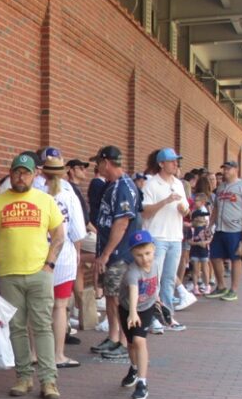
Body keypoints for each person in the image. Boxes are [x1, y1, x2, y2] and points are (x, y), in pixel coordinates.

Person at [0, 153, 65, 399]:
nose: (21, 176)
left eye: (26, 172)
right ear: (11, 173)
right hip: (8, 274)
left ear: (34, 174)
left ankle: (49, 381)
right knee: (16, 328)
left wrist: (49, 263)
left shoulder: (45, 201)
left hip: (39, 273)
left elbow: (59, 234)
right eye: (17, 172)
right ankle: (23, 377)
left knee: (42, 327)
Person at [89, 145, 139, 360]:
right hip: (110, 252)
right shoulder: (112, 185)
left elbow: (122, 222)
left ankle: (124, 342)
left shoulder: (124, 187)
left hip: (121, 253)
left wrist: (106, 254)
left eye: (98, 163)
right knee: (111, 296)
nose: (97, 167)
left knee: (120, 299)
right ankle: (113, 337)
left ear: (106, 162)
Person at [39, 153, 87, 367]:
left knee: (38, 306)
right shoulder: (70, 193)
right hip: (64, 253)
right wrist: (77, 253)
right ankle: (58, 355)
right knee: (59, 306)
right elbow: (77, 230)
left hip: (39, 253)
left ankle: (34, 353)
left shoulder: (35, 192)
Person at [140, 148, 189, 332]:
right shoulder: (151, 184)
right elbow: (144, 212)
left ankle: (168, 317)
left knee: (169, 279)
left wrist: (185, 211)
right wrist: (165, 201)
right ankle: (151, 318)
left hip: (175, 236)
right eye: (172, 161)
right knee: (154, 279)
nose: (176, 164)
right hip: (157, 236)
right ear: (161, 164)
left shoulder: (178, 183)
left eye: (177, 161)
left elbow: (186, 209)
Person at [118, 230, 161, 399]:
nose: (145, 259)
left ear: (153, 249)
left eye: (148, 253)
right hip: (128, 309)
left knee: (139, 341)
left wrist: (158, 300)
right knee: (130, 343)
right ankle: (134, 368)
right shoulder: (132, 272)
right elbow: (134, 291)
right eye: (139, 255)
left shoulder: (156, 264)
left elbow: (155, 282)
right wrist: (133, 312)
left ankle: (142, 383)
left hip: (147, 307)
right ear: (132, 254)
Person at [207, 161, 242, 302]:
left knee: (235, 259)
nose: (225, 171)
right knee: (214, 256)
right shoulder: (221, 187)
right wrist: (210, 223)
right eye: (224, 169)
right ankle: (221, 286)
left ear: (236, 169)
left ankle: (233, 289)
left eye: (228, 169)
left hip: (235, 229)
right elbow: (216, 207)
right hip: (220, 228)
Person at [188, 208, 213, 294]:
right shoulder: (192, 229)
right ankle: (195, 286)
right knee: (195, 270)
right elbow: (189, 241)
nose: (203, 218)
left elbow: (210, 239)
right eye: (201, 216)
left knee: (205, 269)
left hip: (204, 251)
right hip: (194, 251)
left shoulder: (206, 228)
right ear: (195, 218)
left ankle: (207, 285)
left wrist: (204, 242)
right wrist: (198, 243)